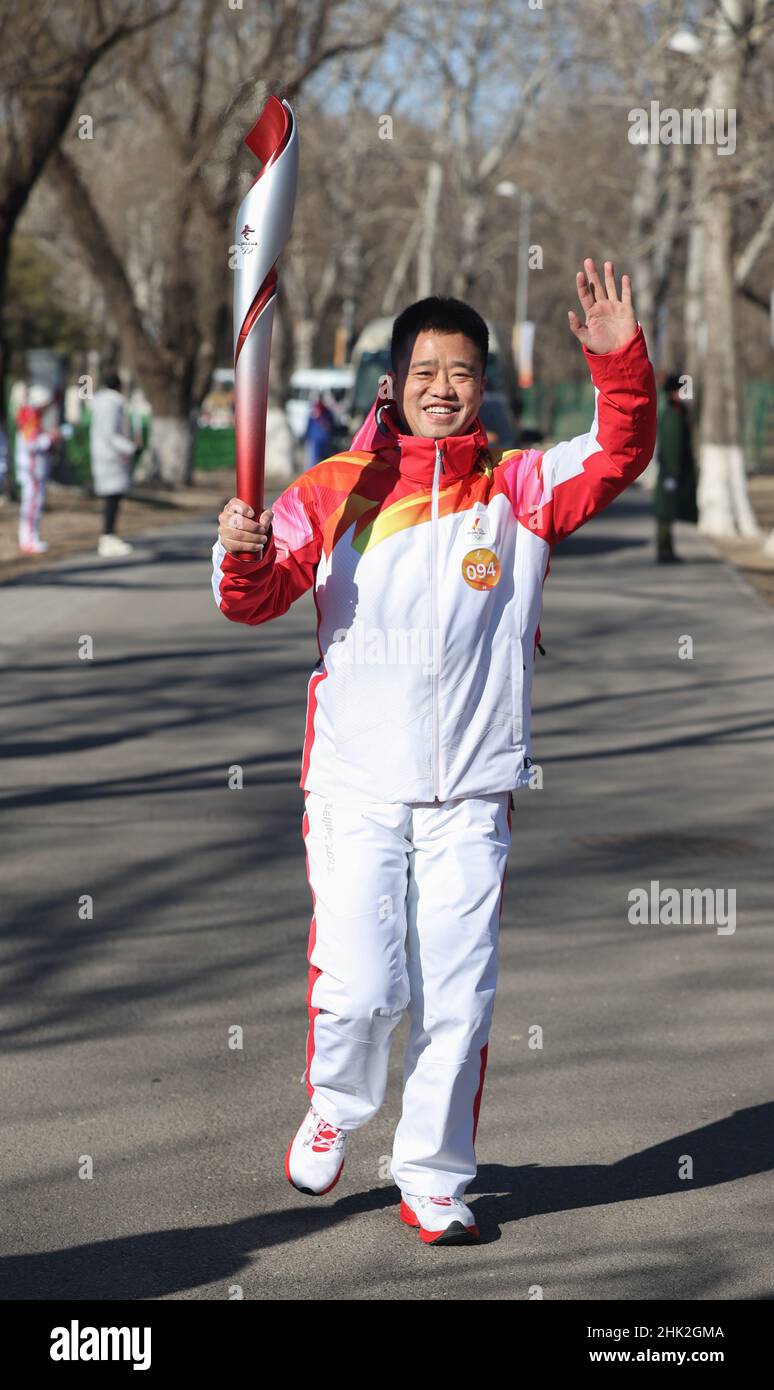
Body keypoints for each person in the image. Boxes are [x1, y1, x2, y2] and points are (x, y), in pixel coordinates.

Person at [211, 260, 657, 1246]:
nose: (443, 386)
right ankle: (335, 1100)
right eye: (425, 369)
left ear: (481, 384)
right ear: (391, 383)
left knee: (459, 991)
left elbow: (622, 449)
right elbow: (256, 597)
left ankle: (434, 1175)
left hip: (473, 788)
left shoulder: (522, 489)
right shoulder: (333, 489)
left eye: (461, 371)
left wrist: (619, 361)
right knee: (366, 986)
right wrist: (241, 551)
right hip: (356, 785)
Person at [89, 370, 139, 557]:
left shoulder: (103, 401)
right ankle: (107, 536)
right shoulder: (112, 404)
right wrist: (130, 448)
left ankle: (110, 534)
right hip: (111, 457)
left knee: (114, 498)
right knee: (111, 499)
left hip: (108, 456)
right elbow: (110, 434)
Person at [653, 372, 698, 563]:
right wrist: (672, 473)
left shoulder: (678, 411)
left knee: (668, 512)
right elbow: (672, 446)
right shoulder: (672, 414)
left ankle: (667, 549)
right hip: (670, 472)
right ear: (673, 393)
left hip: (672, 471)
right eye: (680, 390)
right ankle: (664, 550)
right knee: (665, 512)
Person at [15, 384, 58, 555]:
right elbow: (31, 444)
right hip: (31, 470)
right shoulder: (29, 417)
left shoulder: (32, 417)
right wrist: (50, 438)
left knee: (34, 505)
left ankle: (32, 538)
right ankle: (28, 541)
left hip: (35, 470)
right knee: (31, 506)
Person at [304, 392, 335, 469]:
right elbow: (309, 425)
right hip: (316, 439)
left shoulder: (326, 412)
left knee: (323, 460)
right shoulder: (314, 412)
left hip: (323, 439)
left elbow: (332, 425)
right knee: (314, 460)